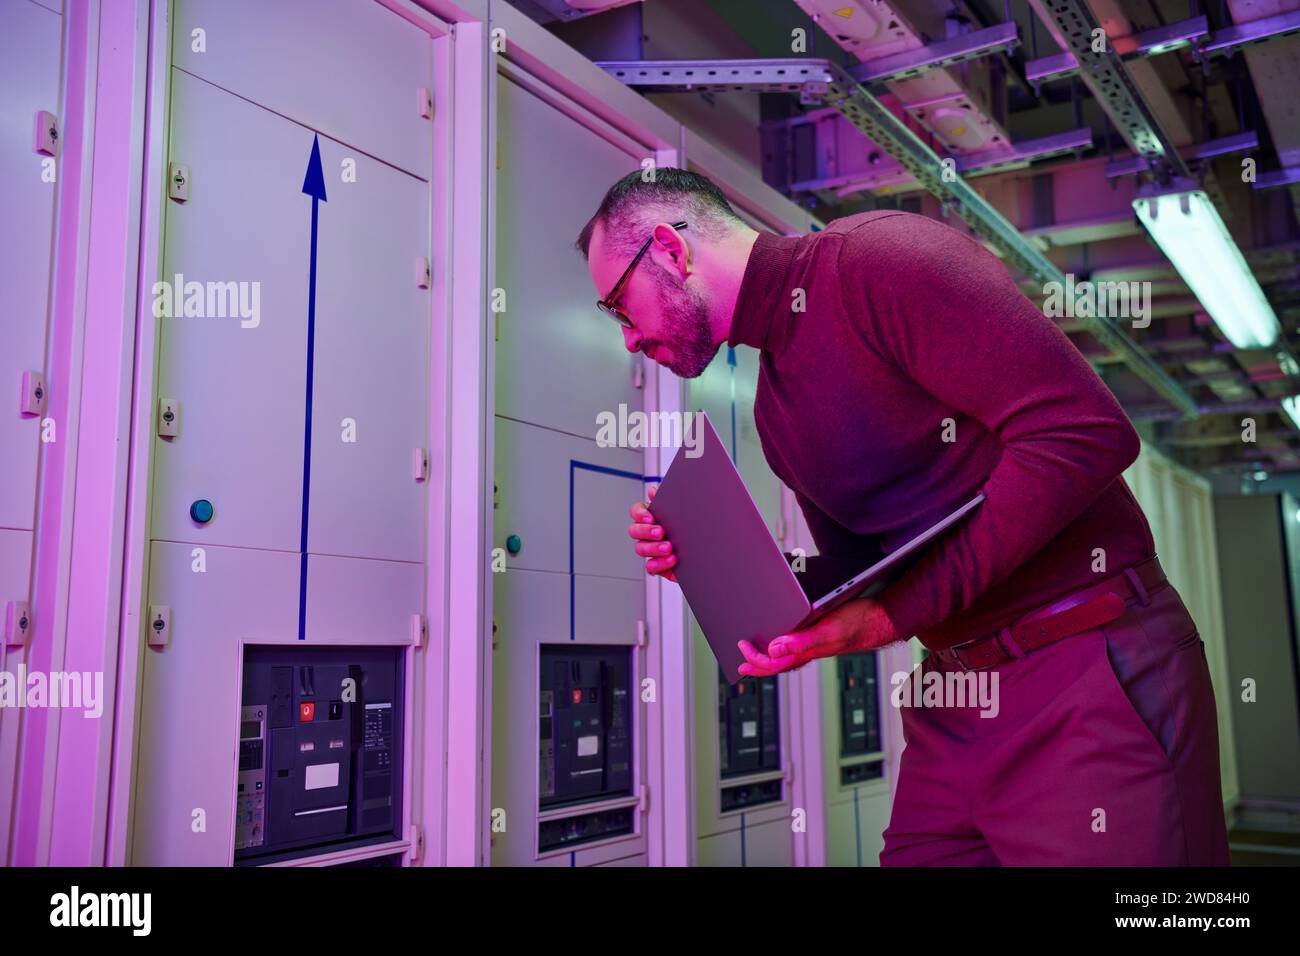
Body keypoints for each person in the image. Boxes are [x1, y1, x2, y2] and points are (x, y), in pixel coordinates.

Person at [575, 168, 1230, 866]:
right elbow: (876, 574)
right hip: (953, 701)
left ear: (671, 251)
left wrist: (893, 616)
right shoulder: (776, 414)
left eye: (619, 305)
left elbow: (1084, 433)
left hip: (1082, 661)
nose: (628, 339)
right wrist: (714, 563)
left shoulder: (876, 264)